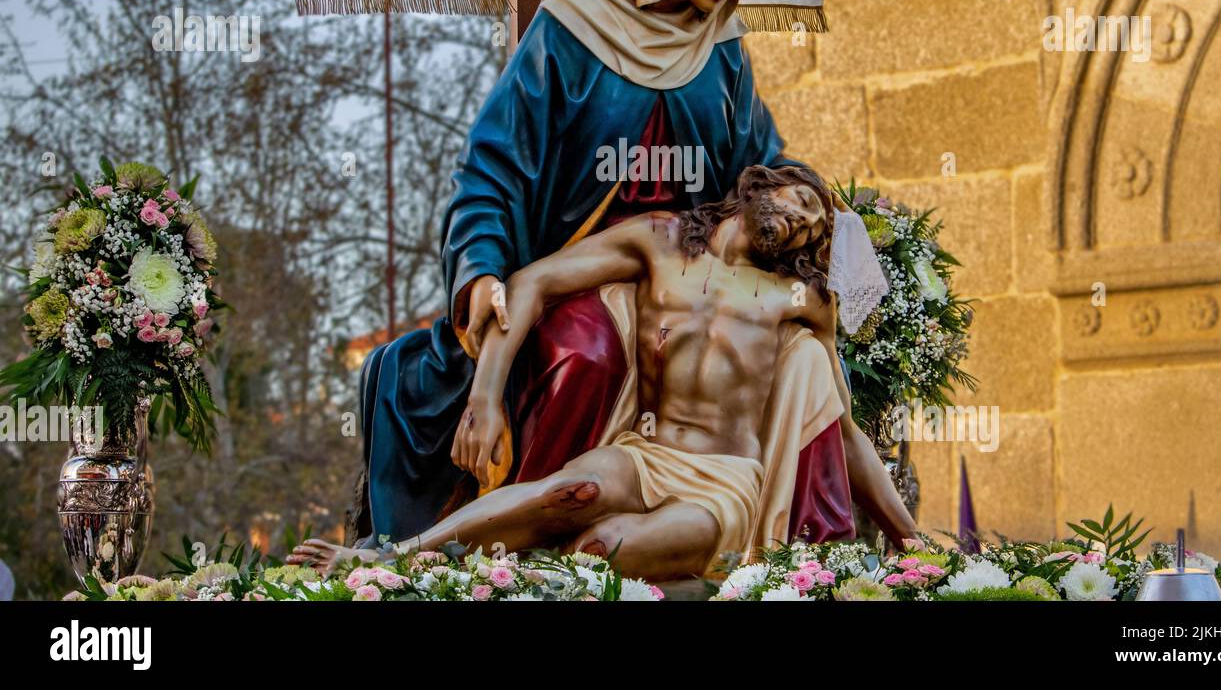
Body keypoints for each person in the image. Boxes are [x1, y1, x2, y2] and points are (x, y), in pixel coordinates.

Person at [358, 0, 856, 546]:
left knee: (801, 355)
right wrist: (479, 267)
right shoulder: (574, 24)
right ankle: (515, 546)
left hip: (690, 265)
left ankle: (803, 552)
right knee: (585, 352)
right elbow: (493, 163)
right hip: (584, 266)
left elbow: (765, 161)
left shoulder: (721, 48)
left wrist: (842, 223)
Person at [297, 166, 917, 579]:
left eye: (812, 229)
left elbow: (845, 432)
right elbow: (534, 281)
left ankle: (469, 581)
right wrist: (484, 395)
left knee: (601, 548)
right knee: (566, 493)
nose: (803, 224)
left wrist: (907, 539)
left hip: (724, 483)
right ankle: (385, 559)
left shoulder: (798, 299)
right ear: (763, 185)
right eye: (803, 203)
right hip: (643, 450)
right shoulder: (660, 242)